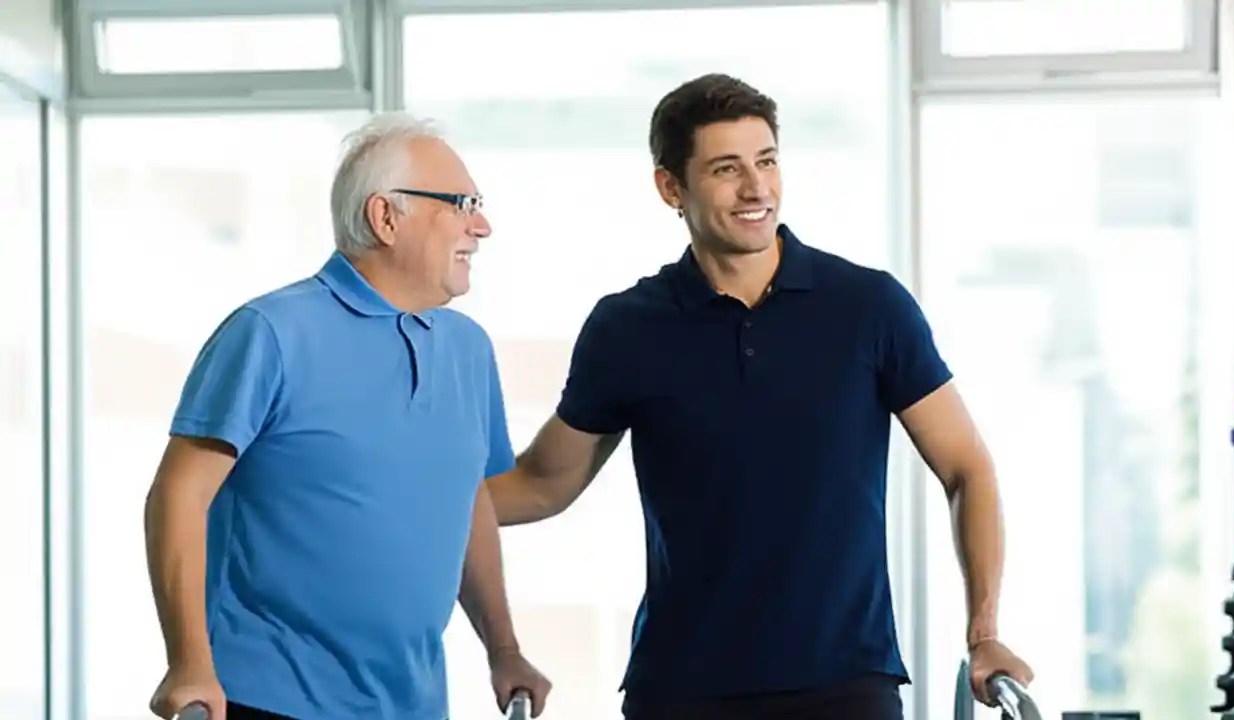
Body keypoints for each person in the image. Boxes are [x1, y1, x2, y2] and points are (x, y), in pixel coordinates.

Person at [485, 74, 1033, 720]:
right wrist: (390, 508)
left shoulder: (867, 307)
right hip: (681, 691)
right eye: (726, 169)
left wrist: (983, 633)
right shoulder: (627, 328)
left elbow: (967, 467)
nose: (756, 188)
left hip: (846, 686)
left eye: (766, 161)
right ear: (671, 187)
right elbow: (543, 483)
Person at [144, 113, 551, 720]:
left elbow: (467, 501)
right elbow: (178, 494)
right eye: (461, 203)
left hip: (412, 703)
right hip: (265, 697)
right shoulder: (271, 333)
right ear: (386, 217)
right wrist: (189, 662)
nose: (482, 225)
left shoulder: (469, 349)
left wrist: (504, 649)